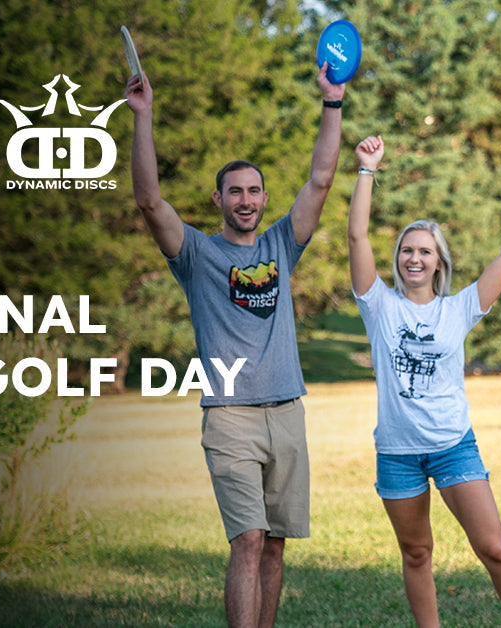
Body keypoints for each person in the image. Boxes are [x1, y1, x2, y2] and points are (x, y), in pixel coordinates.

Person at [124, 63, 344, 628]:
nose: (245, 200)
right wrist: (143, 116)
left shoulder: (281, 245)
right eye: (234, 191)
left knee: (274, 546)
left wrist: (333, 103)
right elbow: (149, 202)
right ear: (218, 198)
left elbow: (321, 180)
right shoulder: (197, 255)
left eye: (253, 191)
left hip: (287, 413)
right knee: (247, 538)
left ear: (264, 198)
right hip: (230, 417)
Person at [347, 135, 501, 628]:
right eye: (406, 250)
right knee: (416, 553)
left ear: (439, 262)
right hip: (397, 453)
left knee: (494, 549)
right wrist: (367, 170)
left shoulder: (459, 309)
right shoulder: (378, 305)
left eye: (425, 251)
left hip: (453, 446)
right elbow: (356, 238)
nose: (414, 258)